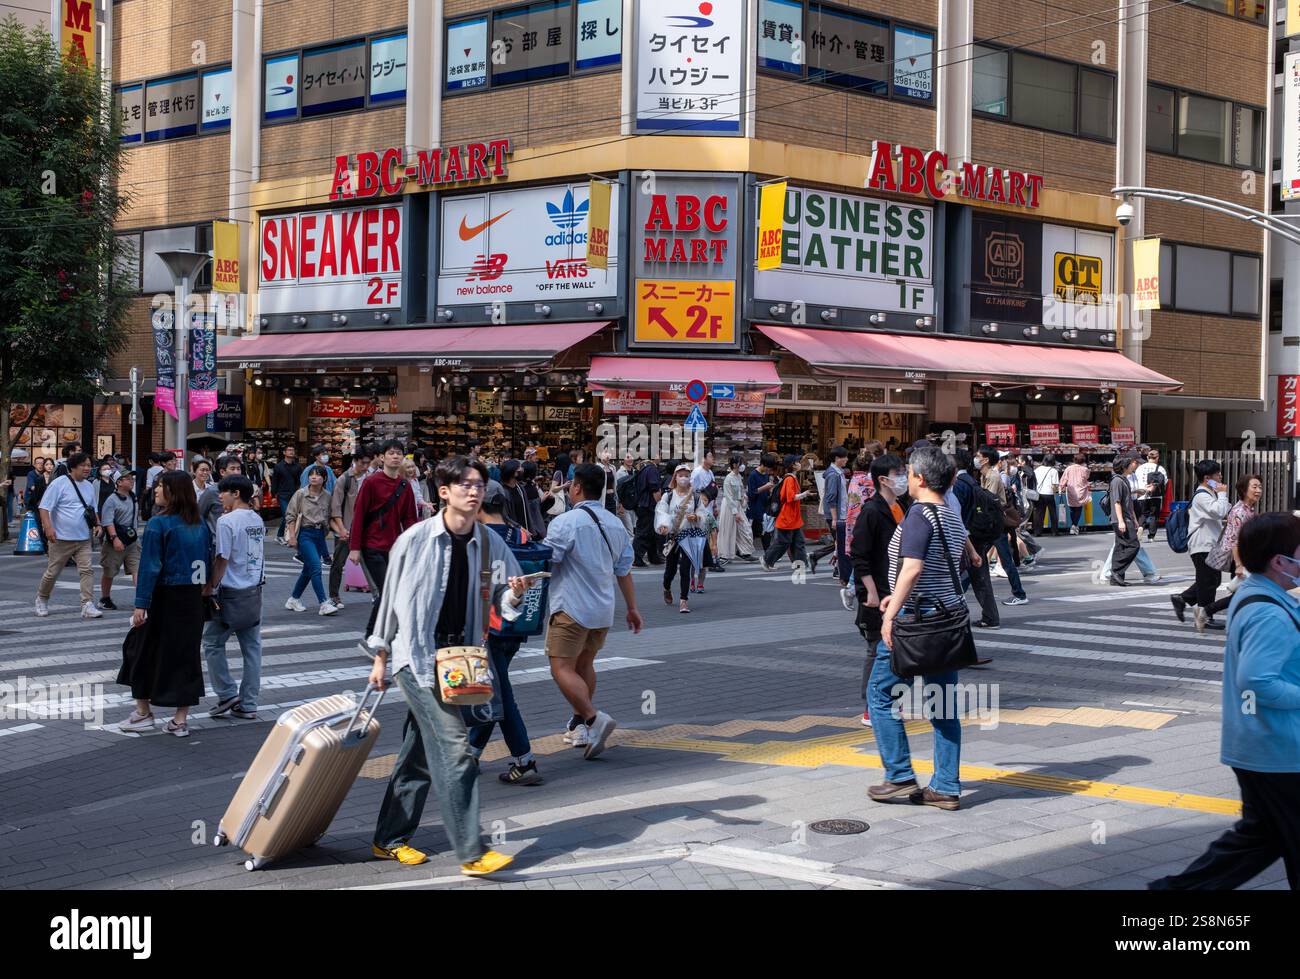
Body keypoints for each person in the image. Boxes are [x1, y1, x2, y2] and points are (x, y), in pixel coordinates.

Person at [365, 456, 531, 875]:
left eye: (479, 485)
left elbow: (506, 605)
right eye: (465, 485)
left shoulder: (492, 543)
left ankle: (389, 838)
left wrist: (513, 593)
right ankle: (472, 853)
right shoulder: (416, 540)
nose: (474, 492)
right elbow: (389, 603)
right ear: (444, 492)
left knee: (419, 750)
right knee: (456, 749)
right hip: (415, 658)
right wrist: (380, 655)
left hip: (460, 660)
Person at [1149, 512, 1300, 891]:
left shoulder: (1258, 595)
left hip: (1259, 744)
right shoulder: (1270, 612)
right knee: (1268, 837)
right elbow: (1255, 680)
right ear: (1280, 561)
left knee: (1258, 839)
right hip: (1278, 748)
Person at [870, 447, 973, 811]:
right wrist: (895, 597)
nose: (906, 477)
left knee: (881, 694)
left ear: (922, 479)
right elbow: (942, 568)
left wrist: (890, 613)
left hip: (916, 622)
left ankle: (898, 775)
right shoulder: (951, 514)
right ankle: (945, 786)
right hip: (947, 619)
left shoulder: (919, 514)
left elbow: (912, 568)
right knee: (943, 704)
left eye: (909, 471)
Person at [542, 463, 643, 754]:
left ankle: (593, 718)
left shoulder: (565, 521)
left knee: (560, 667)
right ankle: (582, 729)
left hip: (571, 608)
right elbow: (624, 569)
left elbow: (550, 559)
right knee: (585, 666)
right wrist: (633, 608)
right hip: (603, 610)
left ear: (575, 487)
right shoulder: (615, 524)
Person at [117, 471, 211, 737]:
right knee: (185, 657)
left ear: (173, 491)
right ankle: (180, 720)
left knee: (138, 649)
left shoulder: (160, 524)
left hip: (164, 597)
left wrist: (140, 604)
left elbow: (149, 567)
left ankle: (143, 712)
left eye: (161, 486)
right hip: (192, 599)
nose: (156, 490)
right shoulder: (200, 523)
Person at [468, 482, 543, 785]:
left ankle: (525, 761)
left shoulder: (479, 537)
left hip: (488, 627)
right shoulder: (521, 533)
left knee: (502, 697)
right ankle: (471, 753)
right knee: (493, 689)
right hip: (517, 625)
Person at [850, 453, 911, 727]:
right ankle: (871, 707)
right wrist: (871, 592)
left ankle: (887, 702)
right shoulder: (871, 511)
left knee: (894, 649)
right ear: (883, 479)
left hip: (896, 591)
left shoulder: (901, 505)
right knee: (876, 649)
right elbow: (859, 555)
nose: (904, 478)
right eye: (899, 473)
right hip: (877, 594)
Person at [203, 475, 266, 721]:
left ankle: (227, 692)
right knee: (252, 649)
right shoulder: (257, 520)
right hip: (253, 591)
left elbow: (222, 558)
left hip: (230, 592)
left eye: (224, 492)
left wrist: (210, 586)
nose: (220, 497)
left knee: (212, 643)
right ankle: (249, 702)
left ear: (236, 494)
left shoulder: (226, 521)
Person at [349, 439, 418, 637]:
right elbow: (359, 514)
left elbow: (410, 520)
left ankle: (387, 635)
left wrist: (413, 547)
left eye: (399, 453)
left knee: (394, 592)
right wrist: (355, 548)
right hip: (371, 546)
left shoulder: (405, 485)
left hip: (395, 547)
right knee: (387, 591)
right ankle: (371, 635)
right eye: (391, 453)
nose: (395, 456)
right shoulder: (371, 482)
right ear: (382, 457)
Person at [35, 451, 102, 619]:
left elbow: (92, 509)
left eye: (89, 465)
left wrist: (98, 524)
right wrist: (48, 528)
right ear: (73, 467)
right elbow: (44, 507)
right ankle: (42, 598)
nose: (87, 468)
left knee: (87, 570)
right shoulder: (59, 483)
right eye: (84, 465)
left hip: (83, 538)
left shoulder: (89, 486)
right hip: (60, 537)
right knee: (53, 572)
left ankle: (87, 603)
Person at [1196, 473, 1262, 633]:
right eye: (1254, 487)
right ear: (1244, 490)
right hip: (1237, 558)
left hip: (1245, 557)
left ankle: (1211, 613)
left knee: (1244, 593)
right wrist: (1239, 565)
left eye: (1260, 487)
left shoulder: (1249, 509)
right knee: (1244, 593)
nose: (1259, 490)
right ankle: (1206, 611)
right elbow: (1235, 541)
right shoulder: (1240, 511)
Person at [1171, 459, 1232, 631]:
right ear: (1207, 477)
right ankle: (1205, 616)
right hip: (1202, 544)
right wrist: (1222, 494)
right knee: (1208, 581)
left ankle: (1182, 599)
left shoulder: (1208, 493)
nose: (1220, 476)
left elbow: (1222, 511)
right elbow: (1219, 511)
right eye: (1217, 474)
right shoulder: (1202, 496)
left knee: (1211, 579)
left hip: (1209, 544)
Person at [973, 445, 1027, 606]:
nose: (975, 459)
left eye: (978, 456)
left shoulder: (993, 477)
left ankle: (1020, 593)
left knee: (1005, 560)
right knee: (978, 557)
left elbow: (987, 500)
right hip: (991, 524)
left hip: (996, 525)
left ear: (985, 459)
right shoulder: (985, 476)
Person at [284, 465, 337, 615]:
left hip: (320, 535)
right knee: (315, 566)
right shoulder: (300, 494)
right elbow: (290, 516)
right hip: (305, 534)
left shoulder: (327, 496)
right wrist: (293, 537)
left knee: (308, 570)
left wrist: (340, 531)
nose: (314, 477)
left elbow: (331, 518)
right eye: (311, 475)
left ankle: (294, 599)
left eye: (318, 475)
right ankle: (323, 603)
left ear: (324, 478)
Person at [657, 463, 710, 614]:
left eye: (687, 476)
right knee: (670, 570)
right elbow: (662, 512)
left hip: (690, 535)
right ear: (675, 477)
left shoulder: (695, 496)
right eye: (680, 475)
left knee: (686, 569)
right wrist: (663, 525)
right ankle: (666, 587)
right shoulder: (668, 496)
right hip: (673, 536)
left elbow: (703, 514)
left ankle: (683, 600)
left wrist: (697, 516)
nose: (684, 479)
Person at [325, 447, 371, 614]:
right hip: (346, 528)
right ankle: (334, 596)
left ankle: (377, 593)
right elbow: (335, 507)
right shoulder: (344, 479)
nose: (366, 466)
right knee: (339, 562)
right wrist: (341, 529)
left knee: (370, 561)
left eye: (368, 463)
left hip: (366, 528)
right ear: (356, 461)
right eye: (363, 463)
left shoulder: (370, 478)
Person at [760, 454, 812, 572]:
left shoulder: (790, 478)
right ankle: (766, 559)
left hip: (792, 517)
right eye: (798, 462)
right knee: (784, 542)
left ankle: (800, 564)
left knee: (798, 541)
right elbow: (790, 497)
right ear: (793, 465)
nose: (799, 463)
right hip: (787, 517)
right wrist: (805, 494)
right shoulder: (789, 479)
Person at [98, 471, 140, 611]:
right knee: (110, 571)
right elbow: (107, 521)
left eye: (132, 478)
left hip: (132, 541)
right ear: (119, 482)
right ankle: (105, 598)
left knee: (137, 569)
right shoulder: (111, 500)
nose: (131, 481)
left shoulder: (133, 497)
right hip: (114, 542)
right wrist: (115, 538)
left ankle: (141, 600)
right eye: (127, 479)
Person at [810, 446, 850, 586]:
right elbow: (831, 497)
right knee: (841, 542)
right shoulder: (834, 475)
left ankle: (818, 556)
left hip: (839, 513)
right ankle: (838, 570)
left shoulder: (838, 473)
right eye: (844, 457)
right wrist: (834, 518)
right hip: (836, 514)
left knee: (839, 542)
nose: (846, 459)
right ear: (837, 458)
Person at [1106, 455, 1143, 587]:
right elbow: (1117, 503)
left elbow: (1128, 503)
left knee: (1120, 547)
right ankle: (1116, 572)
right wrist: (1121, 521)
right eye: (1130, 464)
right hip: (1120, 519)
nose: (1133, 466)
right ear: (1124, 466)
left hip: (1127, 518)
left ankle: (1116, 577)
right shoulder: (1117, 481)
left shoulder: (1124, 480)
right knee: (1134, 545)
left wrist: (1134, 519)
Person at [717, 454, 754, 562]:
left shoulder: (738, 477)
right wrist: (735, 512)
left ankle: (744, 552)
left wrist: (743, 499)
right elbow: (728, 496)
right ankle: (724, 554)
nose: (743, 465)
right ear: (734, 465)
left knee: (745, 528)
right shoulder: (728, 478)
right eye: (740, 463)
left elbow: (740, 492)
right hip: (730, 506)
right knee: (727, 530)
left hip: (737, 505)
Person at [632, 453, 664, 567]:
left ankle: (653, 556)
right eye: (659, 454)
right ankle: (636, 558)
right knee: (644, 532)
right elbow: (654, 488)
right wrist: (660, 505)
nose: (660, 457)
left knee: (652, 532)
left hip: (642, 504)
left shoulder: (643, 467)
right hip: (648, 505)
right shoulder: (651, 469)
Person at [1133, 449, 1168, 541]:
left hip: (1142, 494)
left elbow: (1135, 480)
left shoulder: (1140, 468)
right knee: (1154, 515)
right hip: (1155, 495)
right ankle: (1151, 536)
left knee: (1143, 514)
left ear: (1147, 457)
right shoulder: (1160, 468)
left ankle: (1140, 527)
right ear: (1157, 458)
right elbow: (1165, 481)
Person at [746, 452, 777, 554]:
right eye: (768, 467)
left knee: (764, 531)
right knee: (761, 531)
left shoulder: (766, 475)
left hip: (764, 506)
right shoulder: (753, 475)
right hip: (755, 508)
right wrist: (765, 487)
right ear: (762, 464)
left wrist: (771, 490)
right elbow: (751, 493)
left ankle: (768, 553)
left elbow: (767, 490)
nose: (769, 470)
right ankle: (767, 554)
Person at [271, 445, 302, 544]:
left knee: (292, 516)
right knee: (286, 515)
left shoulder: (297, 466)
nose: (291, 452)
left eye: (293, 450)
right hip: (282, 494)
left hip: (294, 494)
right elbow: (274, 481)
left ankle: (282, 535)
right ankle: (280, 535)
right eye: (289, 450)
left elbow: (299, 482)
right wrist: (273, 495)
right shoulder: (278, 466)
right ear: (284, 452)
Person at [1060, 452, 1092, 535]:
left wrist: (1061, 487)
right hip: (1080, 490)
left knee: (1072, 508)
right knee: (1078, 508)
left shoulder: (1068, 468)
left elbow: (1064, 479)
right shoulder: (1085, 469)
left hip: (1071, 490)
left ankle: (1073, 526)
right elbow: (1086, 478)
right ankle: (1074, 525)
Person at [1031, 452, 1062, 537]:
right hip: (1049, 494)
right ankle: (1054, 531)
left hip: (1039, 493)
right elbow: (1055, 484)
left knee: (1039, 513)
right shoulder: (1053, 471)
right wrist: (1055, 493)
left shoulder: (1037, 469)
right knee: (1053, 513)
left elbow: (1034, 482)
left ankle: (1037, 531)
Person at [498, 458, 529, 529]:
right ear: (513, 473)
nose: (522, 470)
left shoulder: (520, 488)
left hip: (524, 531)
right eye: (519, 468)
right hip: (514, 533)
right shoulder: (502, 492)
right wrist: (519, 528)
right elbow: (505, 517)